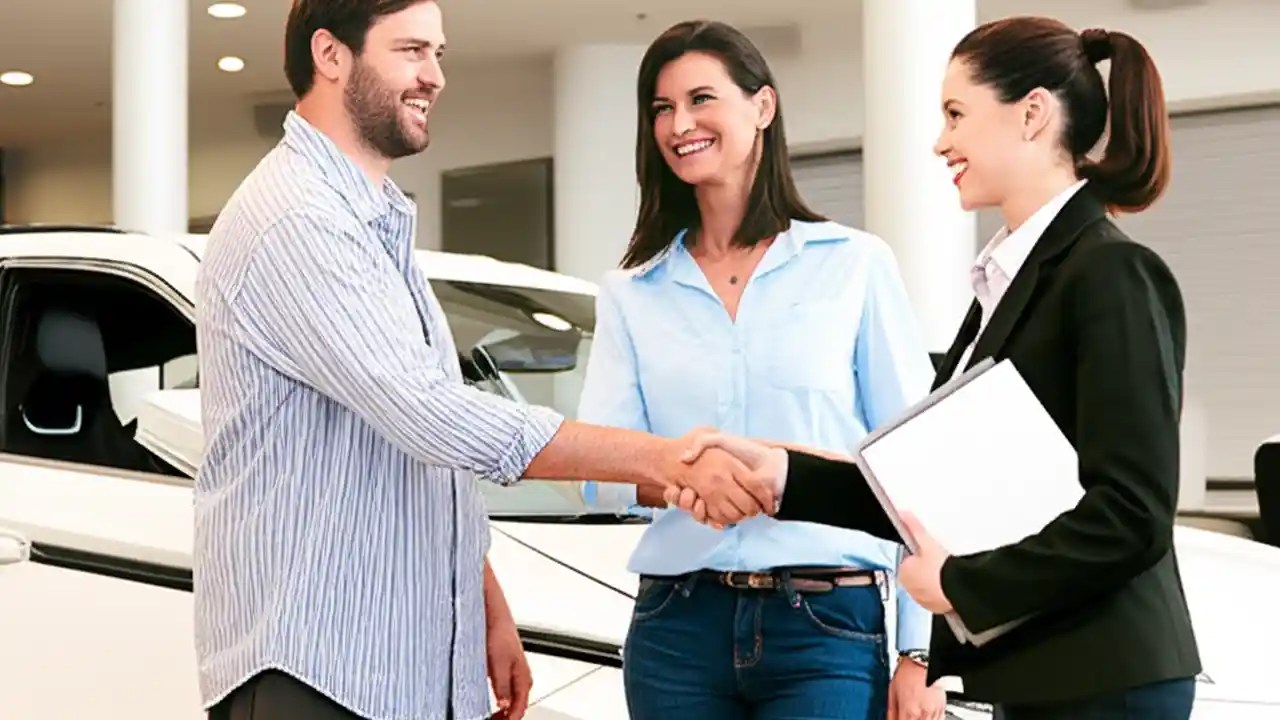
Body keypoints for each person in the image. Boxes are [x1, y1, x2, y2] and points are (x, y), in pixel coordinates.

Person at [193, 2, 779, 720]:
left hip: (399, 667)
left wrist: (480, 601)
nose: (434, 76)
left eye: (438, 54)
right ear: (331, 54)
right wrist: (664, 461)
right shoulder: (296, 220)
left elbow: (417, 460)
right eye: (411, 51)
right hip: (319, 670)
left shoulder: (369, 219)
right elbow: (430, 415)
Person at [672, 15, 1202, 720]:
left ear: (1032, 114)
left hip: (1106, 678)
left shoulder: (1110, 272)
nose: (940, 140)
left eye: (956, 114)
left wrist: (960, 583)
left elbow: (1132, 515)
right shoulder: (1013, 281)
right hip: (1049, 672)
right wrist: (782, 473)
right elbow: (929, 485)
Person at [574, 19, 945, 720]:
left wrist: (921, 654)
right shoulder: (631, 292)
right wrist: (689, 480)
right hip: (677, 629)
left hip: (827, 629)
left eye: (700, 99)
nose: (679, 123)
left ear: (763, 108)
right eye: (661, 108)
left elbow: (912, 468)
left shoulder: (855, 266)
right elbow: (598, 476)